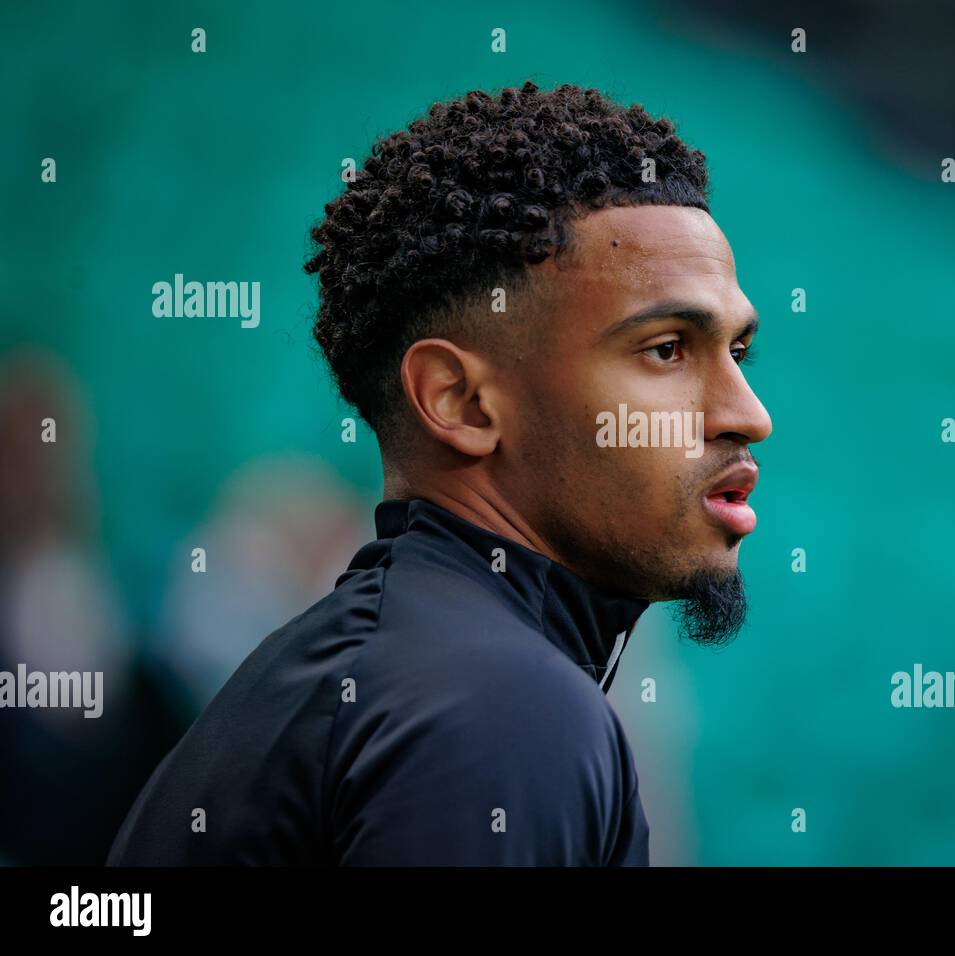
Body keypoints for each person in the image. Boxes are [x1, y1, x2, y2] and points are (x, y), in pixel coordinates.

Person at [107, 80, 772, 865]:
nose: (748, 414)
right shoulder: (501, 710)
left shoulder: (368, 669)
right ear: (460, 401)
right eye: (666, 349)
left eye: (737, 351)